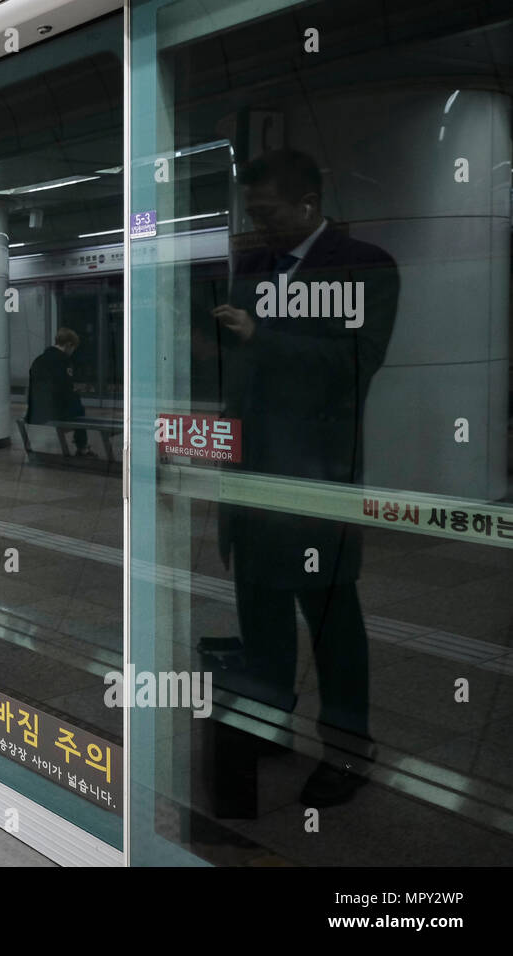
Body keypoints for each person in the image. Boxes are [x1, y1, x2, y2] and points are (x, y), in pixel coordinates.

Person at [212, 148, 399, 808]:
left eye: (267, 212)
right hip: (250, 479)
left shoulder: (367, 269)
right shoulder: (252, 269)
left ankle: (349, 749)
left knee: (331, 623)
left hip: (316, 482)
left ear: (307, 207)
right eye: (251, 212)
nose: (257, 225)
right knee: (260, 617)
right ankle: (269, 722)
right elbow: (235, 384)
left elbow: (355, 365)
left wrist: (262, 335)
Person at [26, 327, 91, 454]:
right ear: (69, 345)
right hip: (54, 411)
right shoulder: (63, 360)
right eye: (73, 349)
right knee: (79, 408)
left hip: (35, 412)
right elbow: (65, 389)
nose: (73, 352)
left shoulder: (38, 360)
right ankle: (82, 447)